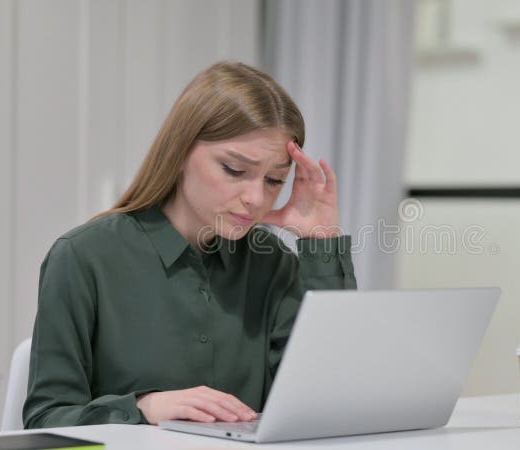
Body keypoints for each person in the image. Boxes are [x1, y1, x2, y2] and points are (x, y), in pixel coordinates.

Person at [23, 61, 357, 428]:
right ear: (181, 152)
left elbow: (331, 399)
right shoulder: (82, 259)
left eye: (275, 180)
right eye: (234, 170)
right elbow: (46, 420)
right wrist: (142, 409)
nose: (255, 197)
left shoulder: (272, 262)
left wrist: (321, 242)